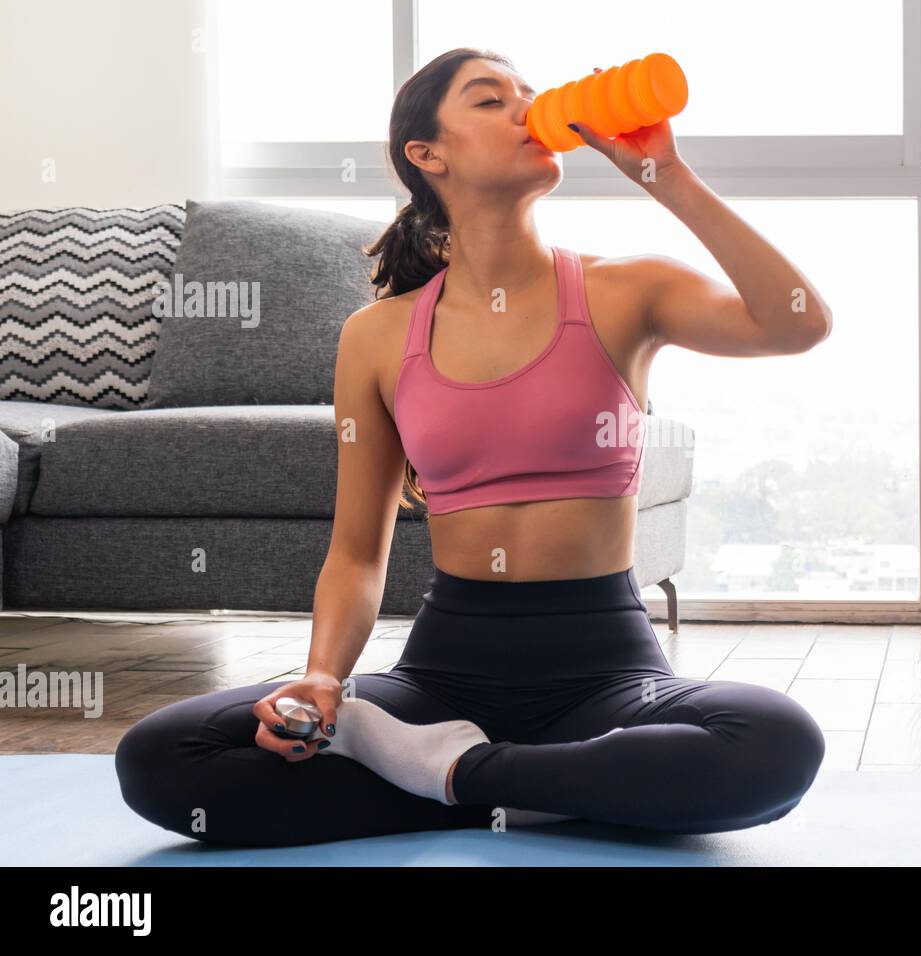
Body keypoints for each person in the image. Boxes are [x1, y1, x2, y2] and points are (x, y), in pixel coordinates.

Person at [114, 47, 834, 847]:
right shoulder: (378, 338)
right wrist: (321, 678)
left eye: (530, 96)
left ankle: (448, 777)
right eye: (492, 101)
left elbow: (797, 320)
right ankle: (567, 785)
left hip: (607, 672)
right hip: (443, 674)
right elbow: (357, 550)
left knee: (776, 743)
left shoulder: (626, 289)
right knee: (162, 757)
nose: (528, 112)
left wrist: (665, 175)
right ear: (428, 154)